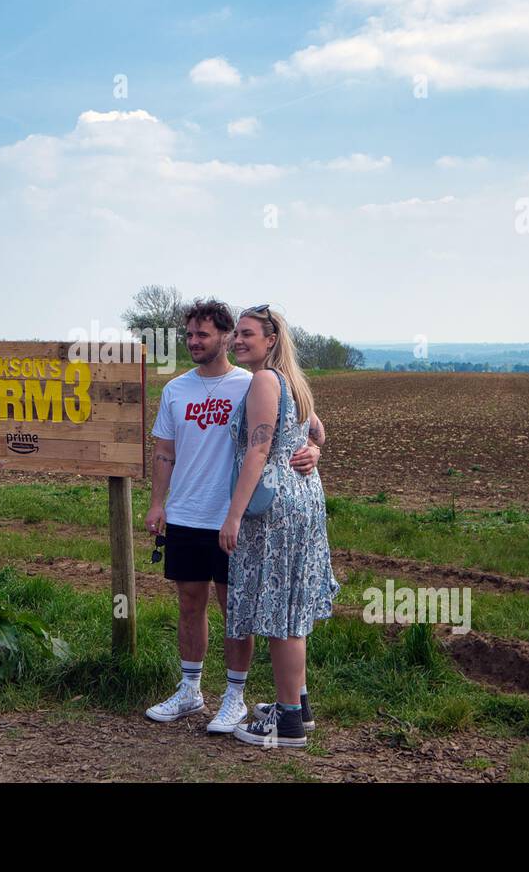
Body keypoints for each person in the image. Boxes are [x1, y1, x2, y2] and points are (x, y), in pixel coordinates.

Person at [144, 300, 320, 733]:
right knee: (189, 602)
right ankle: (190, 690)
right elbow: (164, 451)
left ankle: (234, 697)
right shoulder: (175, 390)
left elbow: (308, 425)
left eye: (202, 335)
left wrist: (313, 451)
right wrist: (157, 503)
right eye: (188, 335)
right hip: (186, 513)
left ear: (225, 337)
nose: (193, 343)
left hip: (233, 518)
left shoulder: (253, 381)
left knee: (234, 609)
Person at [219, 304, 339, 747]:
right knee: (291, 604)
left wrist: (233, 515)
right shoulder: (292, 381)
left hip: (275, 510)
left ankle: (286, 722)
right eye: (236, 334)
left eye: (248, 334)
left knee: (278, 609)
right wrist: (311, 449)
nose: (238, 341)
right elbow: (319, 433)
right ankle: (299, 706)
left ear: (270, 340)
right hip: (304, 499)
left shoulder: (265, 381)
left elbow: (257, 450)